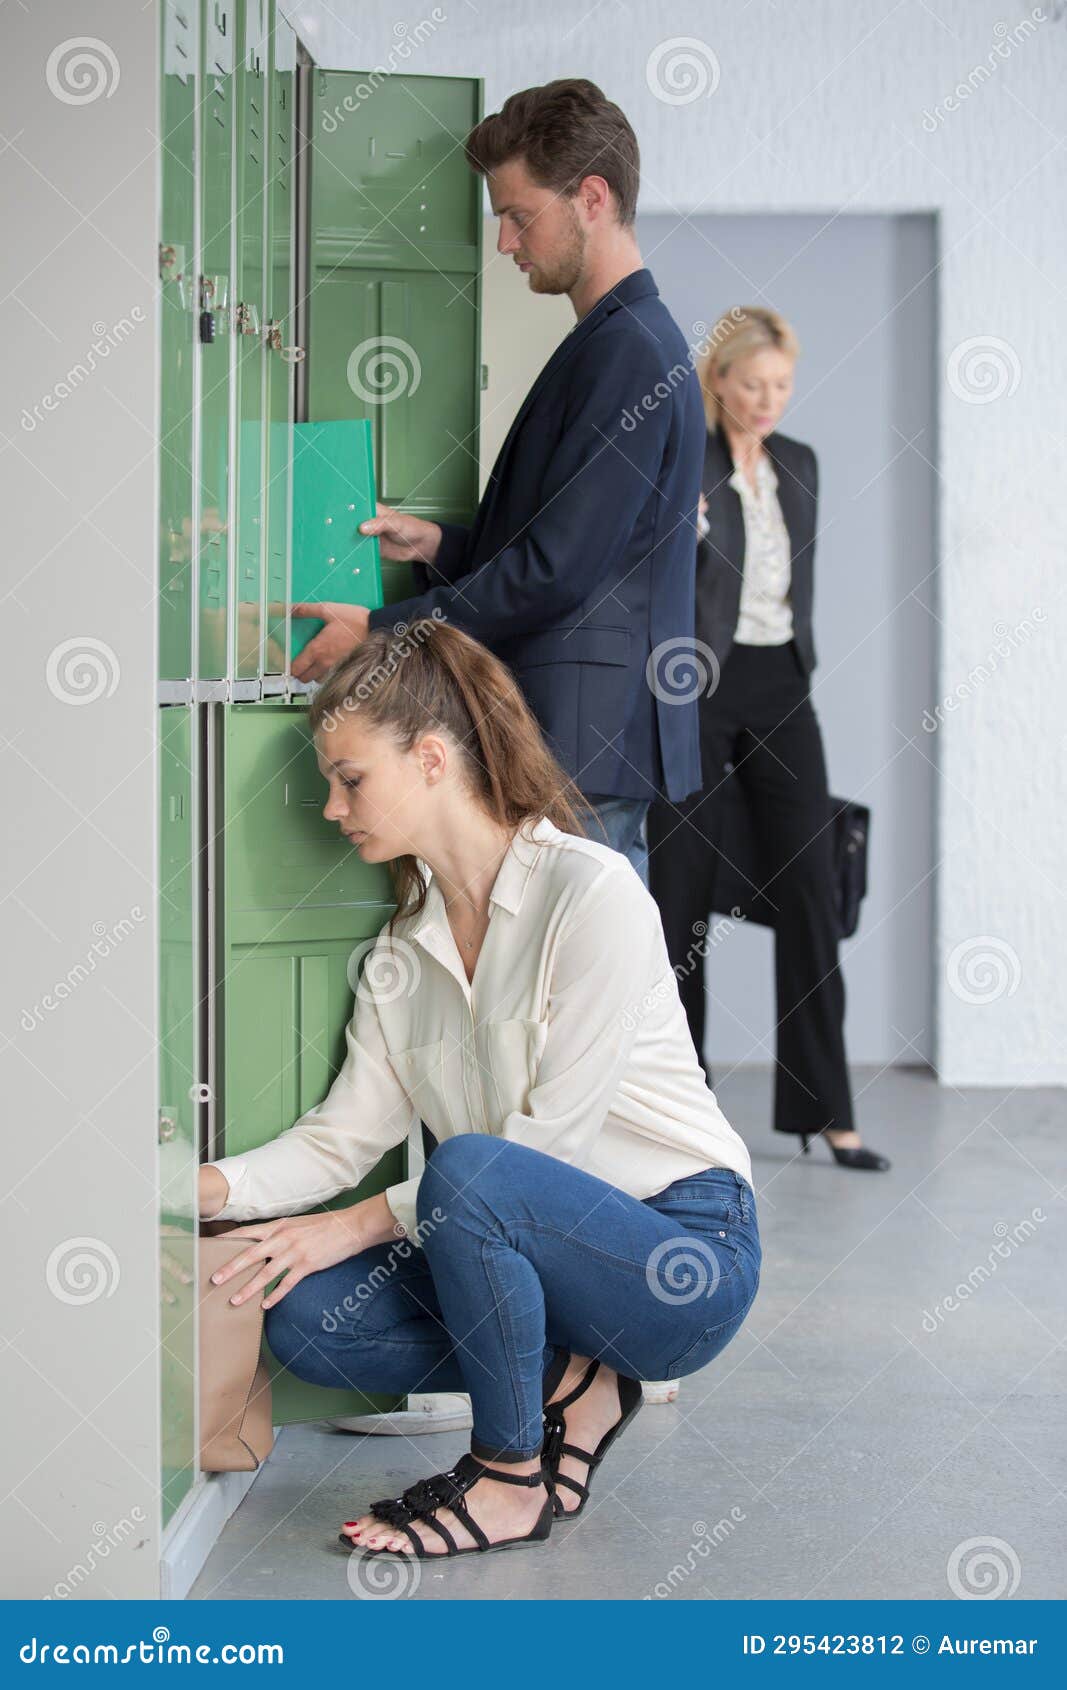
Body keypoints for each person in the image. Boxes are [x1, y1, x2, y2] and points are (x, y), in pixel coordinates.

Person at [199, 620, 760, 1562]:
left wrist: (351, 1224)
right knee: (303, 1318)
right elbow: (340, 1139)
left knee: (470, 1169)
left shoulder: (592, 894)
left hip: (678, 1249)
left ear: (428, 759)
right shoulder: (398, 954)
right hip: (519, 1252)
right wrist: (187, 1187)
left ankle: (507, 1476)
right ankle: (578, 1382)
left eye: (350, 779)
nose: (334, 810)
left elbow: (549, 1149)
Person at [289, 78, 707, 889]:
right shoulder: (615, 341)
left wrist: (381, 629)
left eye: (520, 215)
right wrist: (442, 543)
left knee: (579, 1000)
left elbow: (558, 572)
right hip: (586, 738)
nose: (508, 243)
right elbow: (573, 543)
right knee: (571, 992)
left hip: (585, 742)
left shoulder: (628, 350)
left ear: (591, 197)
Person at [646, 307, 889, 1172]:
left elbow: (794, 586)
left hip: (781, 683)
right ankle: (684, 1110)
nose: (767, 401)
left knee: (813, 888)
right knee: (677, 895)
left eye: (781, 386)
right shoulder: (688, 463)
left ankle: (827, 1112)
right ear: (719, 381)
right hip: (697, 689)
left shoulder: (801, 466)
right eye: (752, 384)